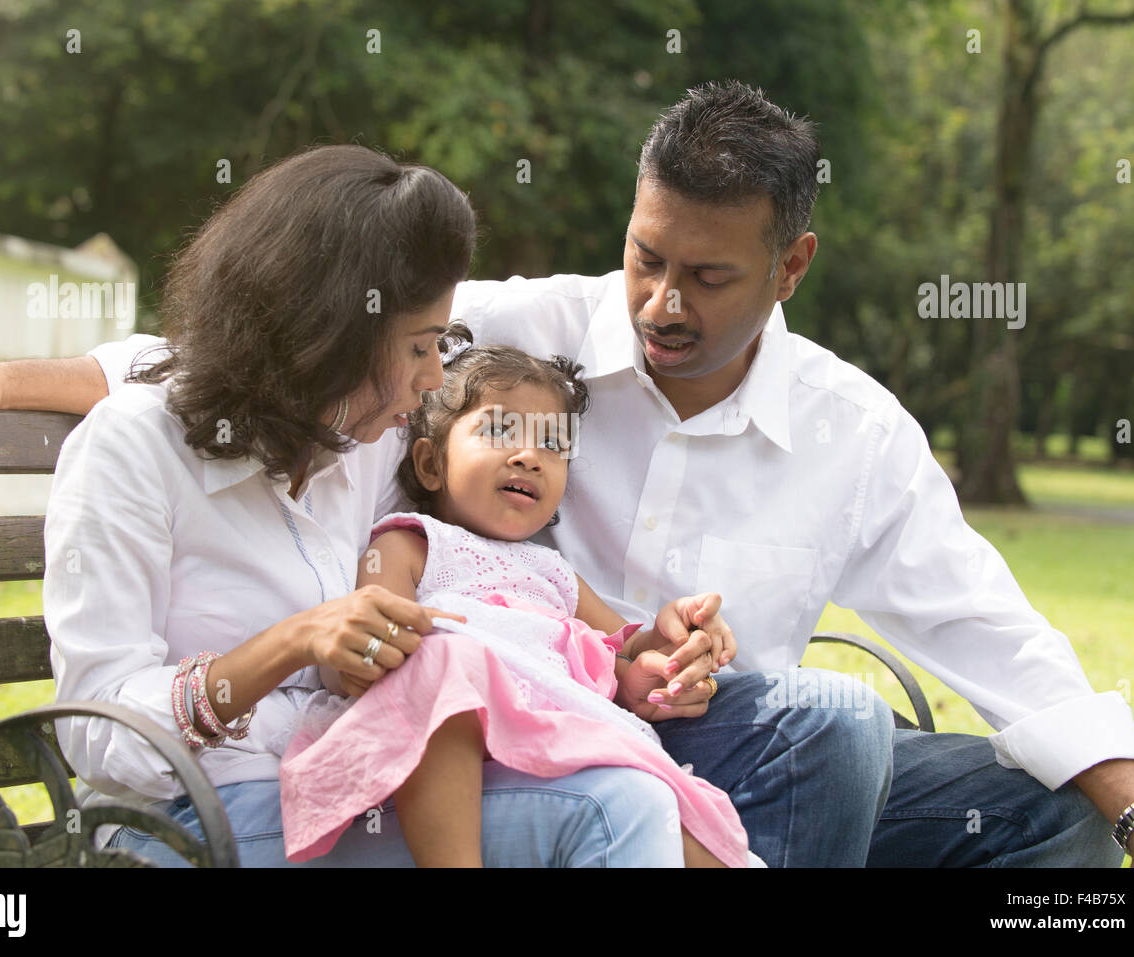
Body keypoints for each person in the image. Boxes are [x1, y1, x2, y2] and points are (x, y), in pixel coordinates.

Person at [0, 81, 1134, 867]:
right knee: (795, 742)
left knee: (1020, 809)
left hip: (650, 725)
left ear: (790, 268)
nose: (660, 301)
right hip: (470, 751)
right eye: (642, 256)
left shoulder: (856, 433)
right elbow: (238, 351)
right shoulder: (508, 343)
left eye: (706, 277)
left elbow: (992, 634)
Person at [34, 143, 704, 867]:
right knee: (612, 812)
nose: (430, 383)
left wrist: (635, 645)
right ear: (327, 336)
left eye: (439, 348)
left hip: (348, 787)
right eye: (418, 350)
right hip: (187, 822)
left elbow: (479, 561)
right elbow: (97, 732)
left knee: (637, 794)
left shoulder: (362, 447)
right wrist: (292, 643)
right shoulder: (134, 449)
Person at [279, 342, 749, 867]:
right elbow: (373, 644)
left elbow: (625, 652)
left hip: (562, 743)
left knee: (696, 838)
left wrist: (664, 648)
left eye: (552, 444)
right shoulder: (412, 544)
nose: (529, 455)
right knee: (441, 662)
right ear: (431, 464)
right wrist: (384, 655)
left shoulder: (552, 573)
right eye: (500, 431)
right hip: (449, 748)